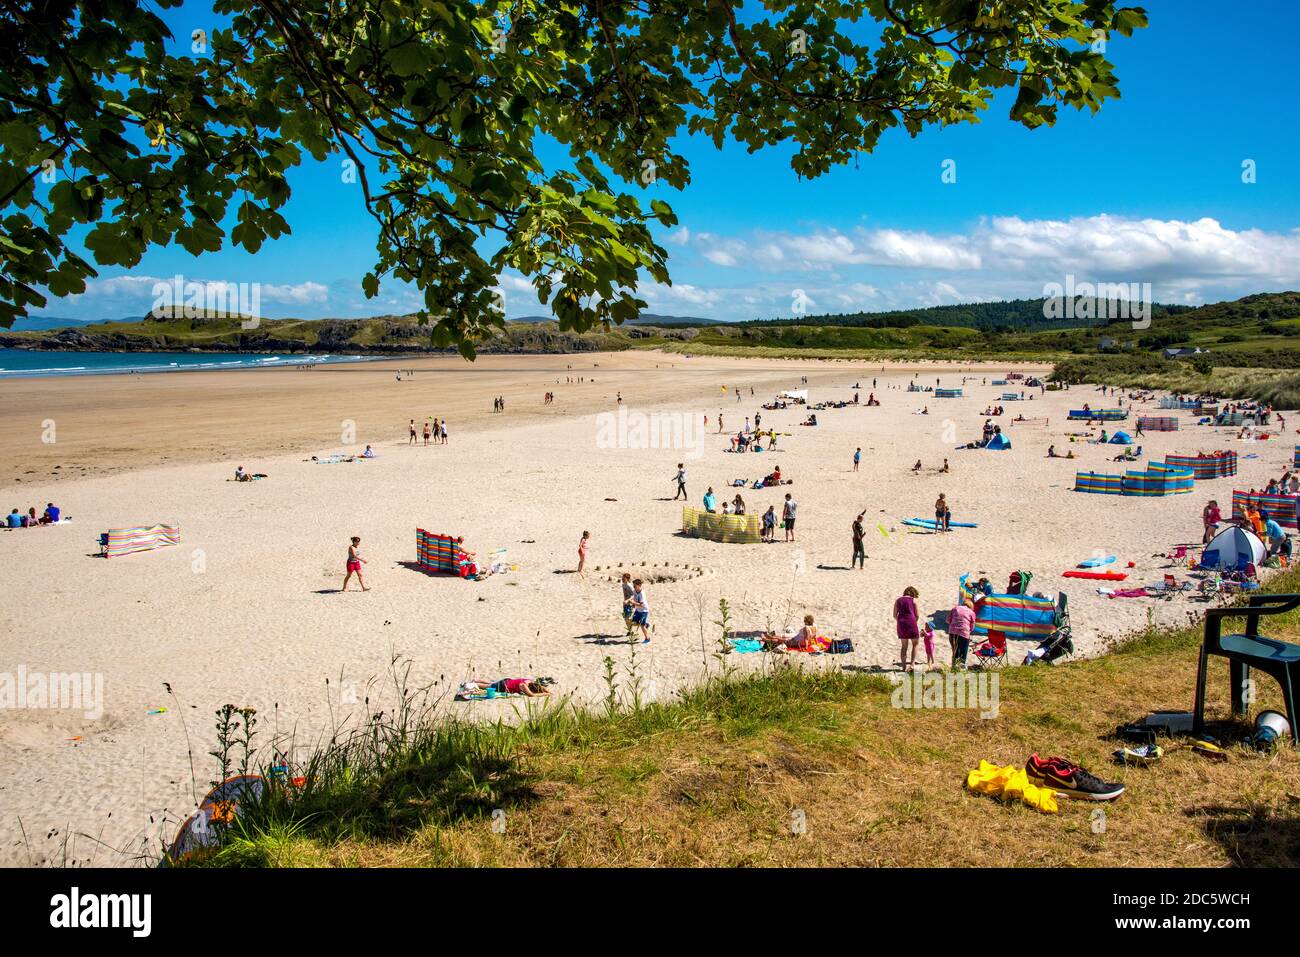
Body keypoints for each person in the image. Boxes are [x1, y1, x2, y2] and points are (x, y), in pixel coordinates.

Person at [894, 586, 920, 670]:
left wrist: (900, 621)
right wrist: (914, 621)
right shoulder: (914, 600)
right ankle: (912, 665)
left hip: (901, 623)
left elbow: (894, 615)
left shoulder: (897, 601)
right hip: (911, 622)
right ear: (913, 593)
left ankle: (904, 666)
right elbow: (917, 615)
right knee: (915, 644)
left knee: (904, 646)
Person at [948, 597, 976, 669]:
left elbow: (948, 620)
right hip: (964, 633)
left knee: (955, 651)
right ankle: (961, 667)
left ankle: (954, 667)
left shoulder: (955, 608)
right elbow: (972, 627)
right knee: (963, 652)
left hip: (952, 632)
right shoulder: (971, 612)